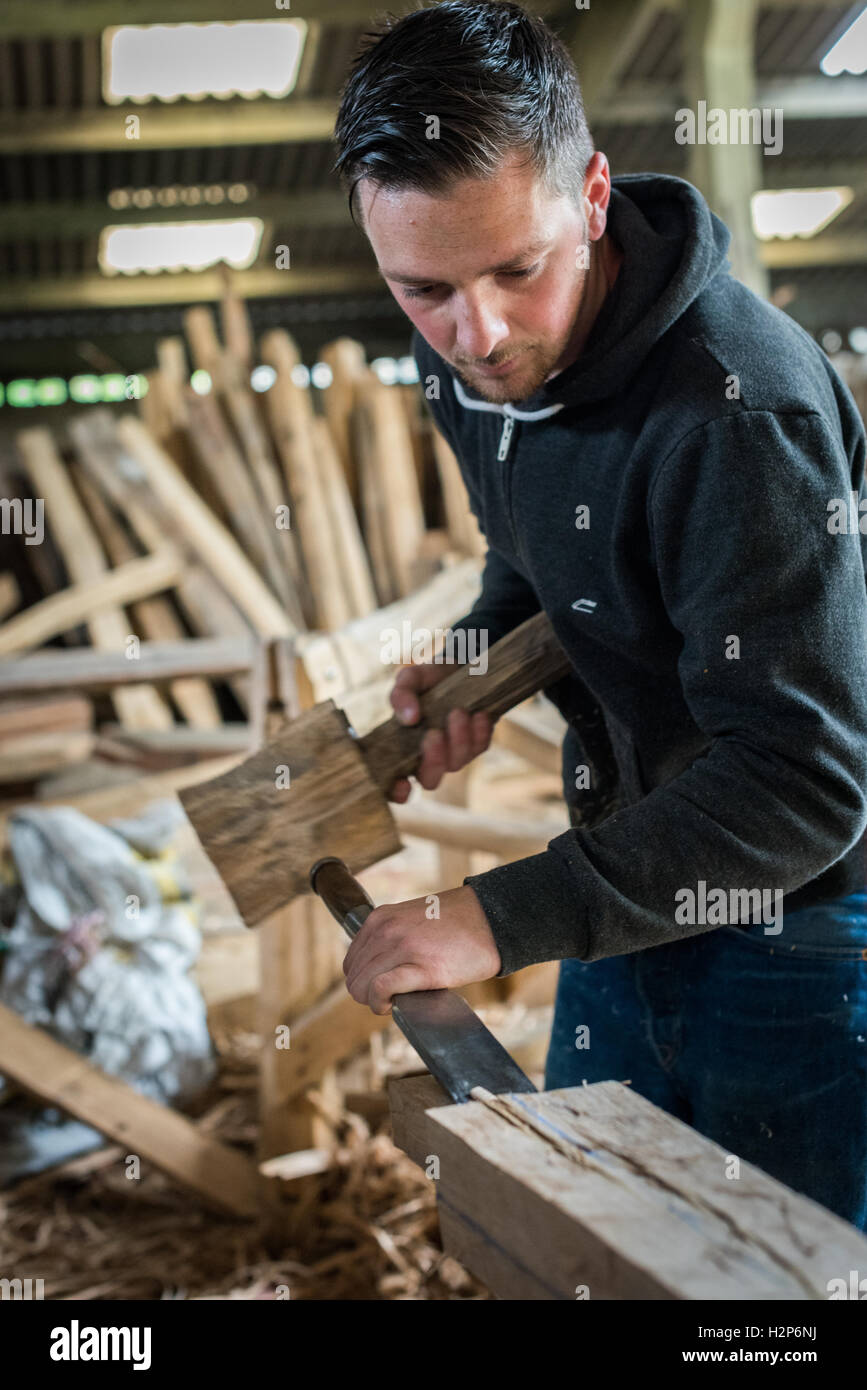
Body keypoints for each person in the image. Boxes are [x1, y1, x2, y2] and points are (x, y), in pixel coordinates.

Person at [332, 0, 867, 1229]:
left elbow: (802, 782)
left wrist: (491, 916)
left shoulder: (739, 414)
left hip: (803, 916)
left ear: (591, 196)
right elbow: (533, 561)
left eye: (519, 269)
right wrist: (473, 659)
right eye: (424, 290)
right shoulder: (472, 368)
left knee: (765, 1287)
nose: (482, 335)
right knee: (600, 1241)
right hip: (634, 874)